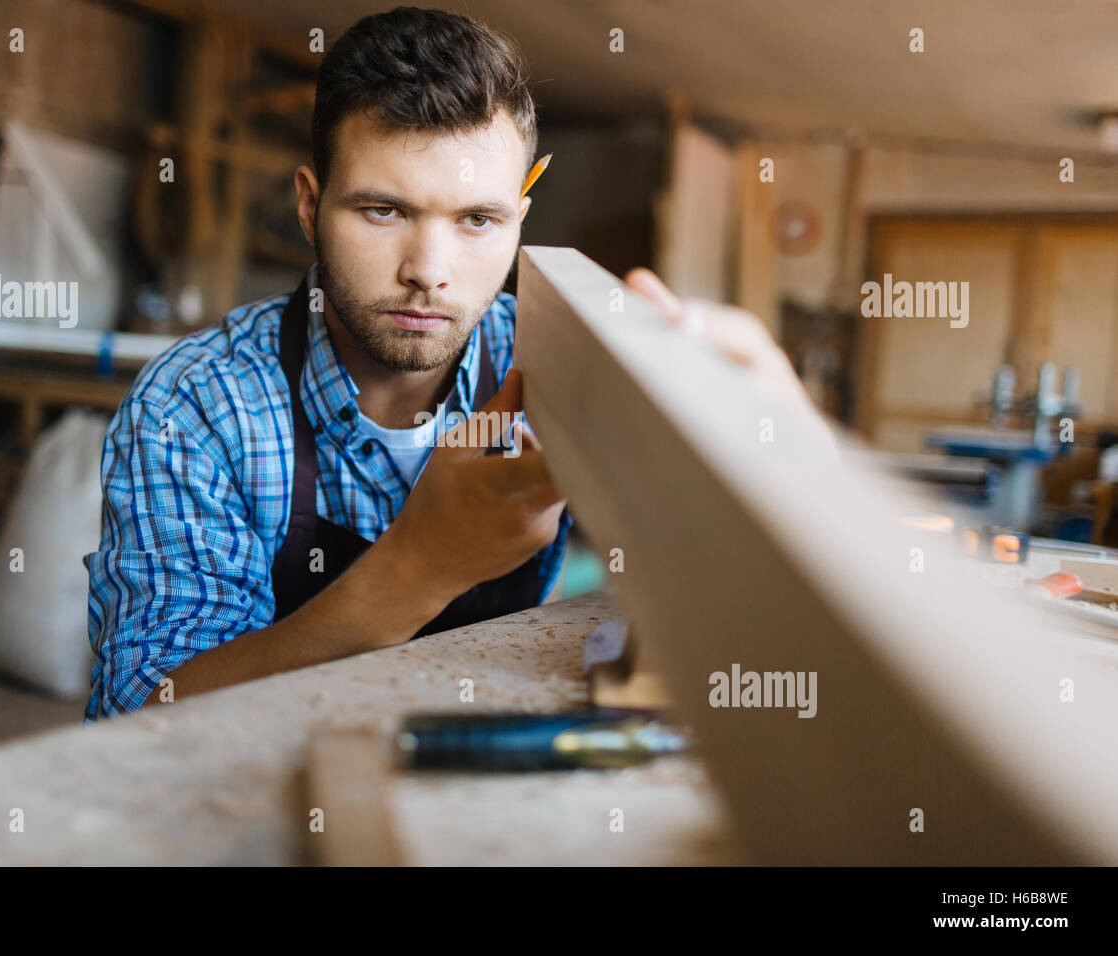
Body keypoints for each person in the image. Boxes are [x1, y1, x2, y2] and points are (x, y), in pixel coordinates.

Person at [84, 7, 825, 721]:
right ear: (311, 206)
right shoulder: (195, 406)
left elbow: (757, 586)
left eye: (477, 220)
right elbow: (142, 714)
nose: (430, 272)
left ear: (517, 224)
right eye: (384, 211)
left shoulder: (541, 357)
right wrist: (418, 569)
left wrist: (781, 441)